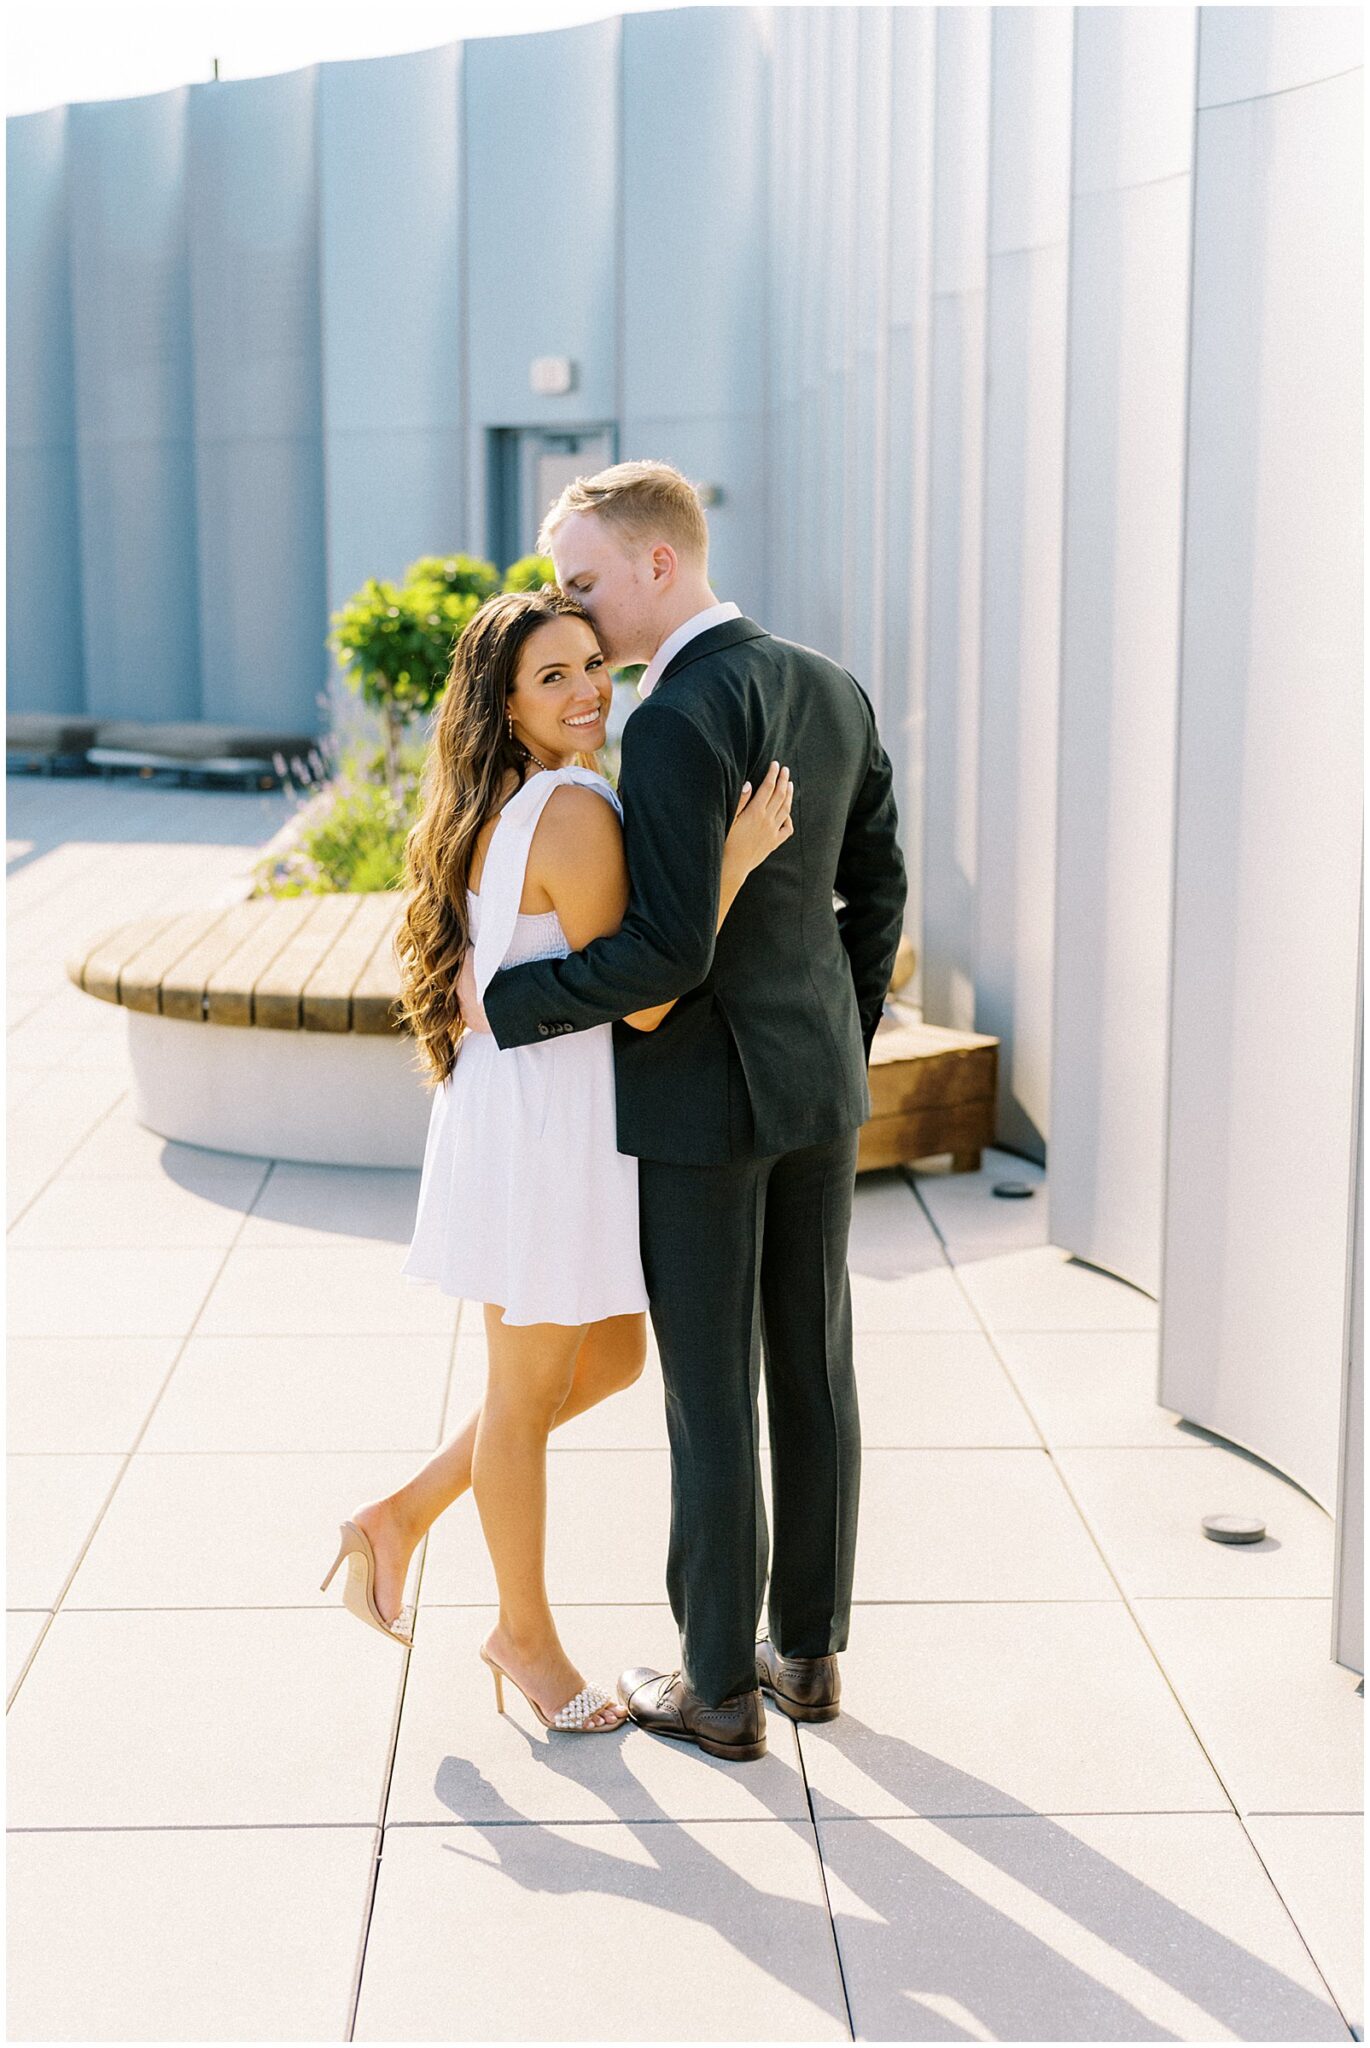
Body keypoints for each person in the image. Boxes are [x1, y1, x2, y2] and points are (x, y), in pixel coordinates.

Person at [476, 460, 908, 1763]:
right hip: (819, 1085)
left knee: (712, 1392)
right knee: (813, 1364)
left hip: (703, 1102)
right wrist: (839, 1029)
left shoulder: (673, 717)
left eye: (587, 579)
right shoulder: (832, 688)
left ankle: (716, 1684)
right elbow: (874, 894)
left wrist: (509, 1002)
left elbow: (665, 954)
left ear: (657, 564)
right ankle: (808, 1656)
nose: (577, 608)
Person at [319, 585, 794, 1736]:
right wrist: (731, 863)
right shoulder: (575, 807)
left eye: (591, 663)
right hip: (543, 1125)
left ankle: (401, 1512)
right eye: (552, 677)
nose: (586, 689)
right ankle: (522, 1636)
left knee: (613, 1358)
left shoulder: (516, 795)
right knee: (527, 1394)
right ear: (506, 703)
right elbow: (643, 1000)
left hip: (533, 1111)